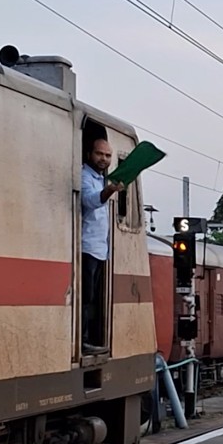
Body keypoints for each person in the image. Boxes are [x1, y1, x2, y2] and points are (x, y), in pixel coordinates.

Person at [81, 136, 124, 355]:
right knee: (86, 297)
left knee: (93, 297)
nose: (104, 159)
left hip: (99, 249)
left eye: (108, 155)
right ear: (89, 154)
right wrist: (110, 191)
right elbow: (89, 200)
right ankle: (83, 340)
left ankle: (89, 339)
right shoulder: (84, 176)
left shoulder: (100, 178)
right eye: (100, 154)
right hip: (87, 247)